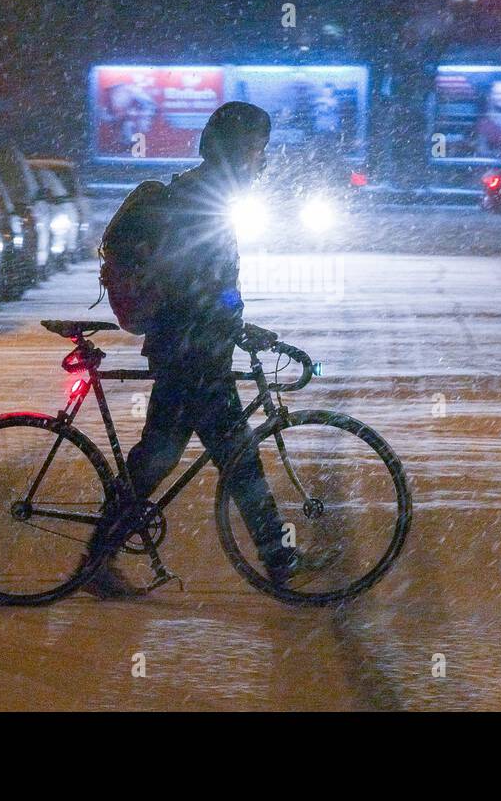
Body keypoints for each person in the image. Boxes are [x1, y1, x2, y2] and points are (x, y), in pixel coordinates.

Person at [84, 101, 324, 597]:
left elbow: (212, 284)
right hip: (191, 352)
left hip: (192, 347)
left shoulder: (204, 194)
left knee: (165, 457)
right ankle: (276, 556)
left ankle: (99, 558)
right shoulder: (204, 199)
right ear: (237, 153)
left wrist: (235, 320)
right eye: (259, 150)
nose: (264, 162)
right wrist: (234, 322)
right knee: (230, 459)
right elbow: (203, 283)